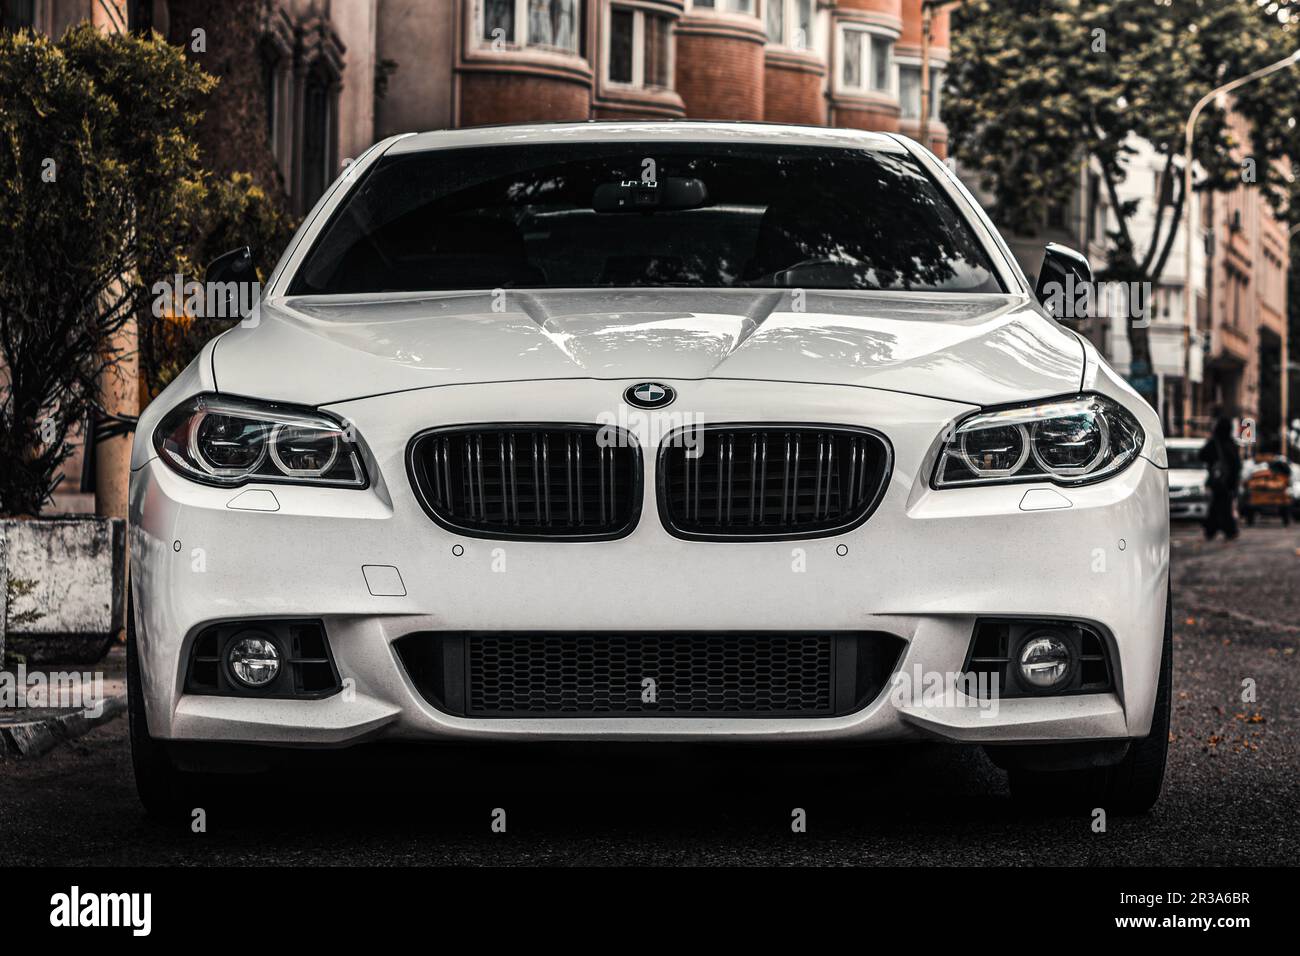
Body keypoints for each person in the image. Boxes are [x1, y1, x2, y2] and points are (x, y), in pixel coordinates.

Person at [1199, 415, 1241, 540]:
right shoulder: (1231, 443)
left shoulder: (1214, 443)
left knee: (1219, 505)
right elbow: (1237, 465)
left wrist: (1213, 461)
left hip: (1218, 480)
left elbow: (1202, 455)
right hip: (1228, 481)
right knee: (1223, 505)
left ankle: (1213, 529)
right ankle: (1224, 529)